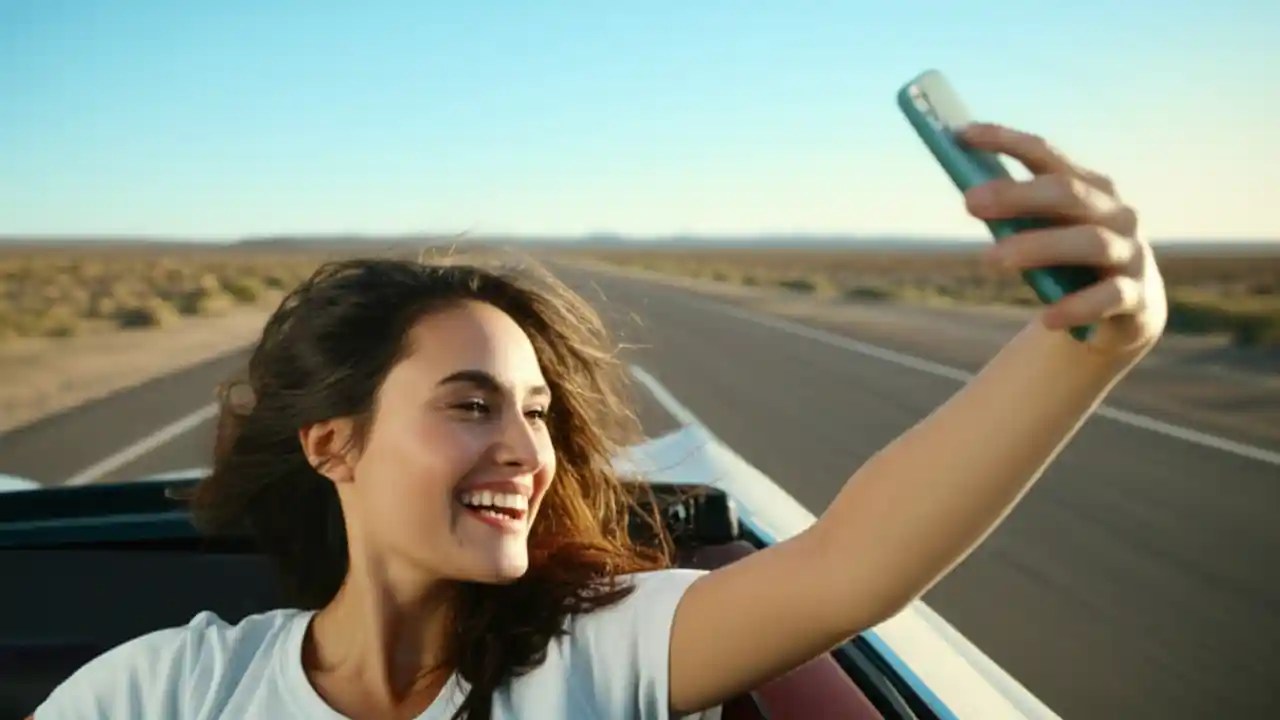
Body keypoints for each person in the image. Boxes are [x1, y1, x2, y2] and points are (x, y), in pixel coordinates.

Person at [30, 123, 1167, 720]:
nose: (527, 451)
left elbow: (850, 565)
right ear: (335, 443)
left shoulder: (590, 658)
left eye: (535, 412)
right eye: (469, 406)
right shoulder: (164, 690)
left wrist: (1091, 346)